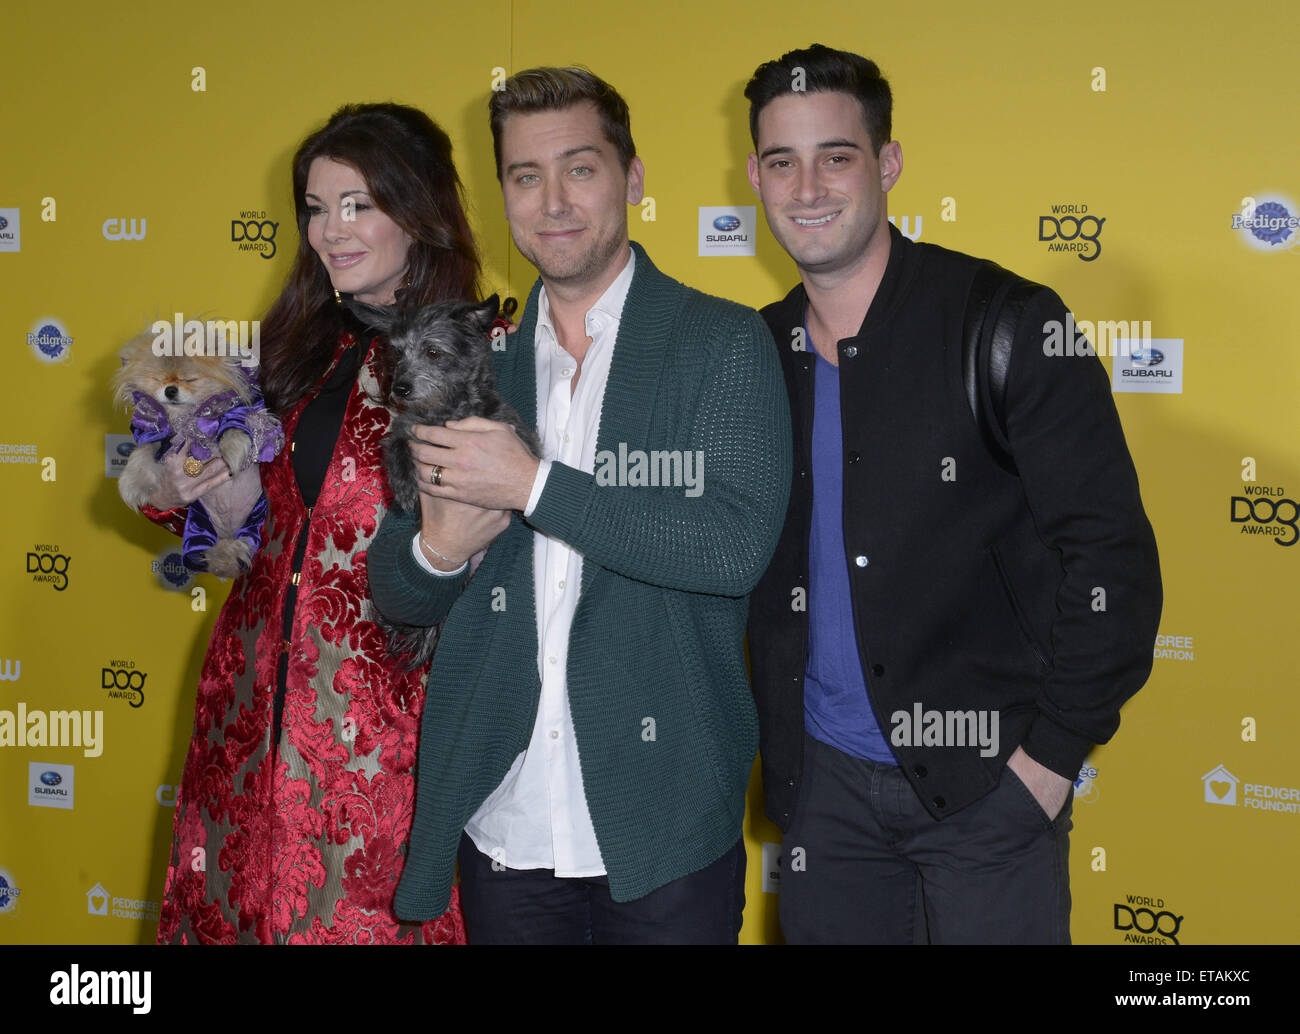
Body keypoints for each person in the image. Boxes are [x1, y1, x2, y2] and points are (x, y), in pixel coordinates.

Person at [742, 45, 1162, 944]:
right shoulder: (757, 352)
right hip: (824, 802)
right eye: (782, 162)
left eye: (836, 156)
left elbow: (1113, 562)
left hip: (988, 796)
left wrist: (1046, 765)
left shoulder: (1005, 323)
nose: (807, 188)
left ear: (888, 163)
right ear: (755, 178)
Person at [365, 67, 792, 944]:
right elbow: (399, 592)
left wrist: (534, 487)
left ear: (632, 178)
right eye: (526, 176)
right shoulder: (475, 360)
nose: (553, 202)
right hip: (504, 825)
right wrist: (440, 549)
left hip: (665, 823)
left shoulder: (721, 341)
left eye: (581, 169)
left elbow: (732, 549)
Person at [138, 103, 483, 944]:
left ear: (418, 209)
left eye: (358, 204)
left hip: (384, 732)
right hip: (246, 708)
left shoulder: (479, 352)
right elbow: (227, 520)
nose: (332, 230)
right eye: (318, 208)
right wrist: (179, 482)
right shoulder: (291, 347)